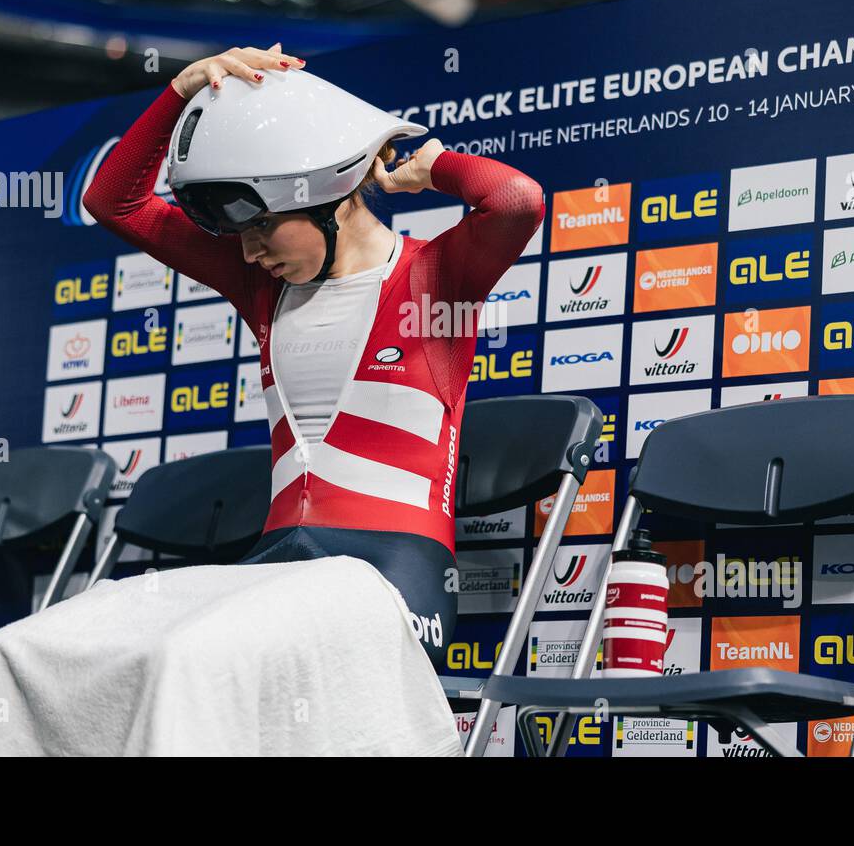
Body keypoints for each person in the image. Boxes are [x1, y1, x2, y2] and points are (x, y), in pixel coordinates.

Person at [82, 42, 545, 664]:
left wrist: (434, 167)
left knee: (231, 656)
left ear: (333, 195)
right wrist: (181, 91)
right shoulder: (259, 285)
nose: (249, 252)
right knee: (136, 650)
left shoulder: (437, 279)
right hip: (278, 567)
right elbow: (113, 202)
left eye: (260, 226)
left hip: (398, 571)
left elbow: (516, 200)